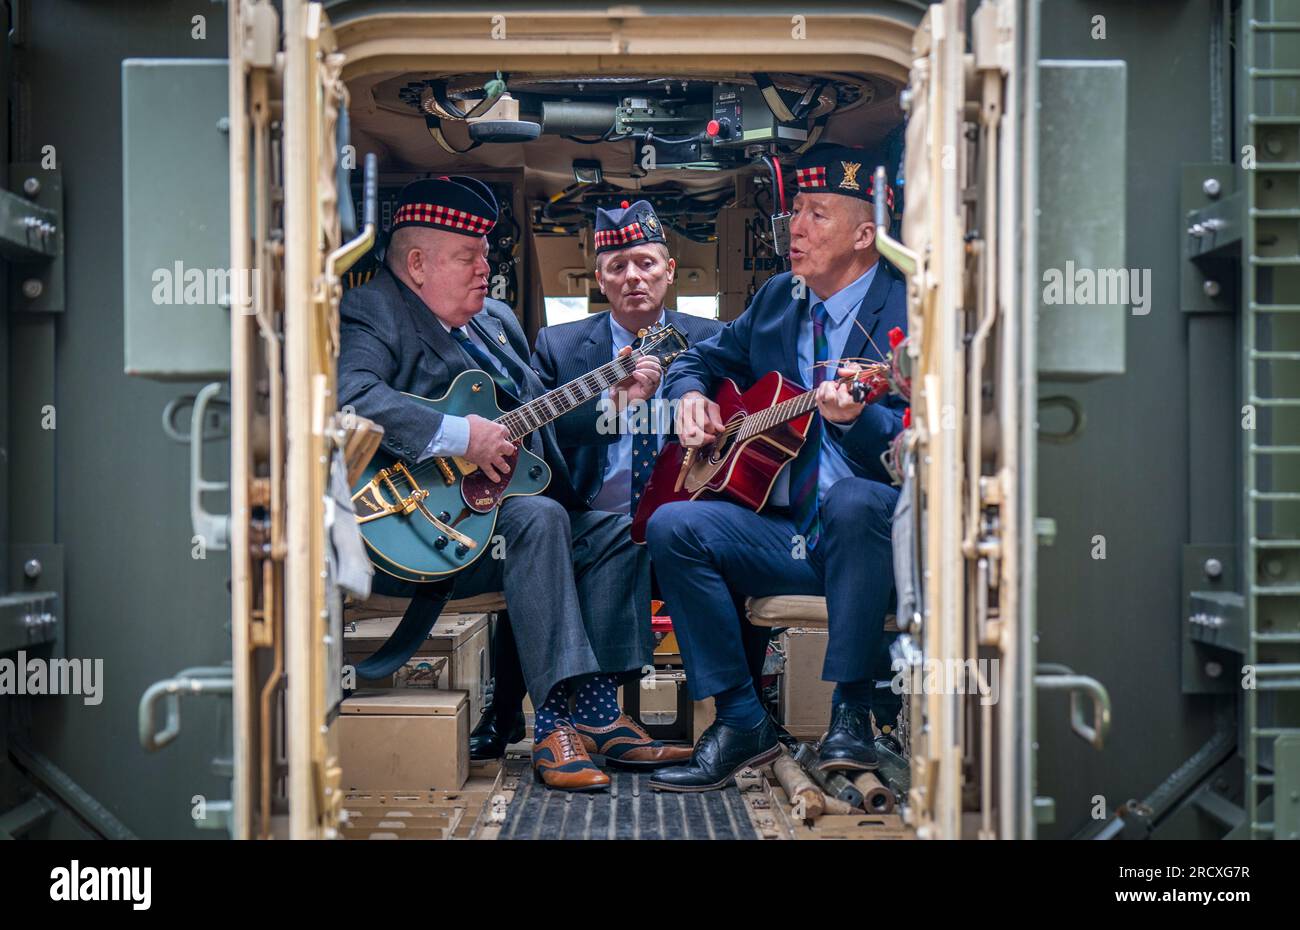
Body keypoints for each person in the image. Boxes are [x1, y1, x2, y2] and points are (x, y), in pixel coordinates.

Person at [338, 176, 679, 790]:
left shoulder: (494, 320)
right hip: (413, 531)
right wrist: (459, 437)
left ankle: (601, 712)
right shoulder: (373, 311)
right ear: (418, 265)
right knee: (540, 518)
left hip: (500, 522)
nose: (484, 269)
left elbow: (535, 419)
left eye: (485, 255)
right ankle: (552, 724)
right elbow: (352, 398)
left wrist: (614, 402)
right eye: (468, 257)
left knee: (618, 531)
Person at [645, 144, 907, 791]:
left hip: (886, 546)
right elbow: (695, 361)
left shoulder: (912, 309)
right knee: (673, 526)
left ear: (866, 233)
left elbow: (918, 458)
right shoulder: (777, 300)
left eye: (818, 214)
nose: (795, 228)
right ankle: (741, 722)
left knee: (852, 503)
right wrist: (691, 398)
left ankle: (854, 712)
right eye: (795, 212)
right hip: (793, 539)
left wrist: (858, 421)